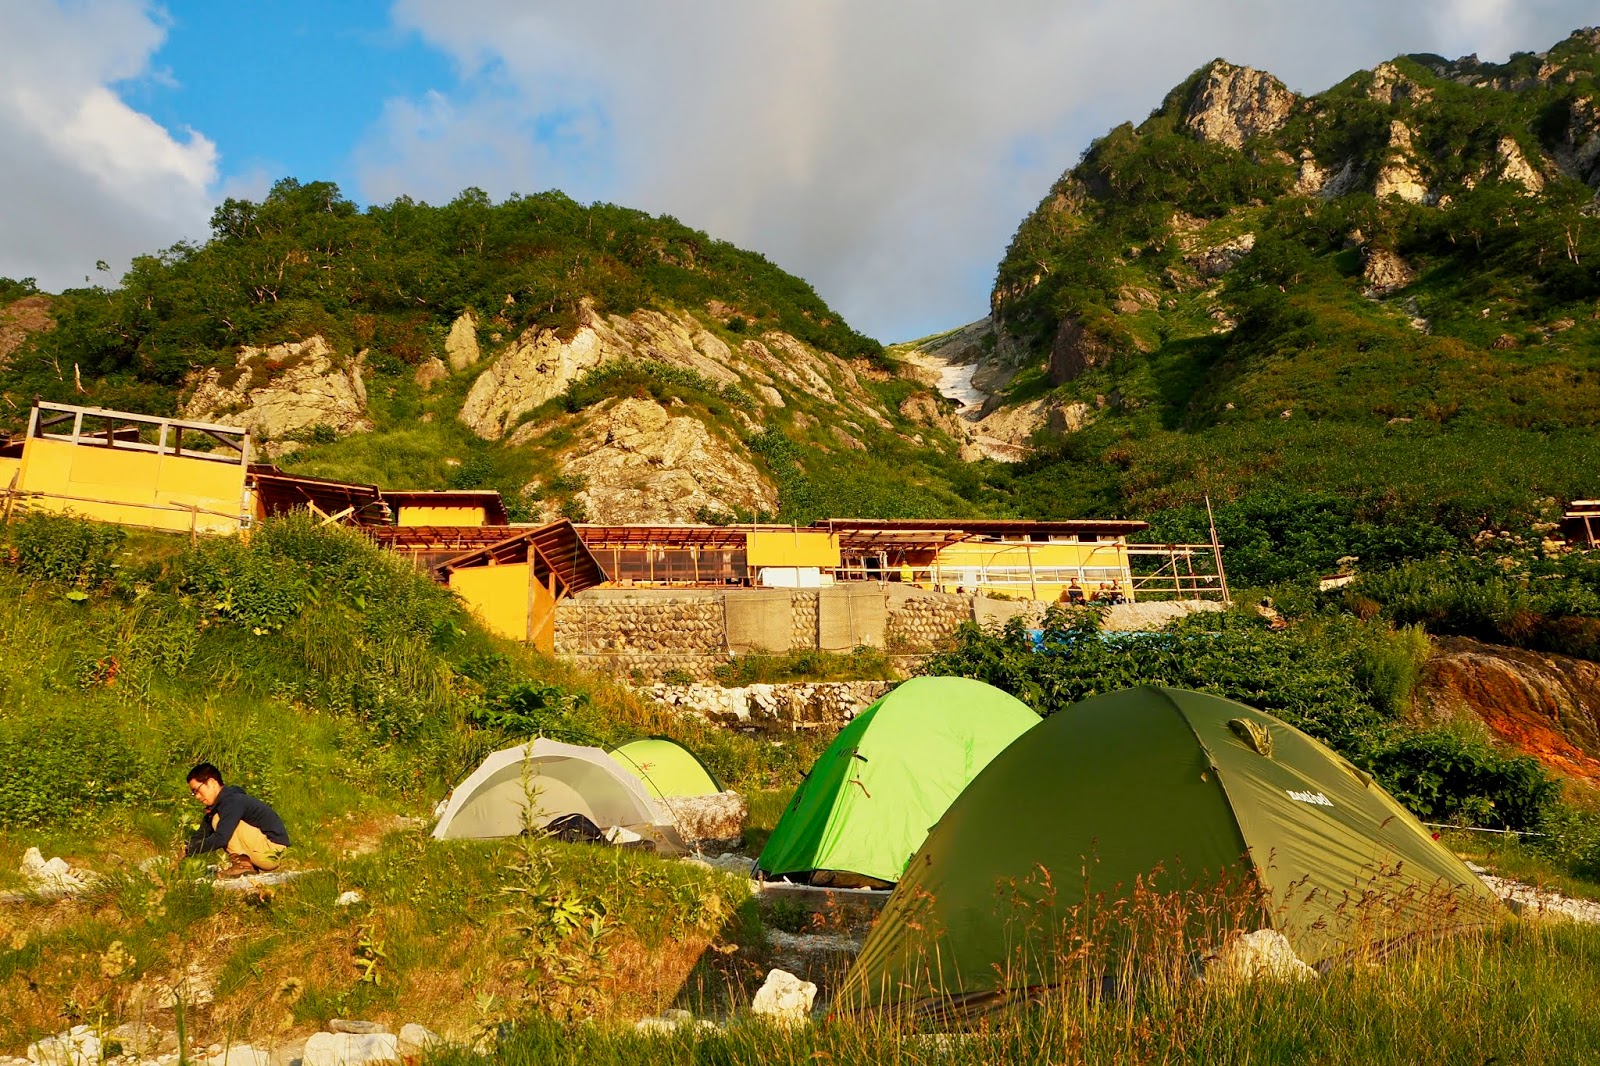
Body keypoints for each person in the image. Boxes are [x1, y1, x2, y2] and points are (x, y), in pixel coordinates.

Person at [184, 763, 290, 878]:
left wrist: (191, 849)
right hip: (264, 851)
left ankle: (243, 865)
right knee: (215, 818)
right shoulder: (219, 806)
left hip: (273, 853)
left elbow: (221, 838)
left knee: (218, 819)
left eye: (197, 790)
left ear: (212, 783)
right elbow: (202, 834)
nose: (197, 797)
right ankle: (246, 864)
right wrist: (185, 848)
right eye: (193, 793)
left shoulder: (233, 802)